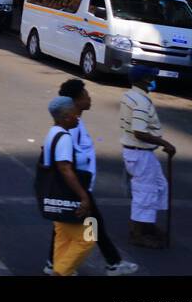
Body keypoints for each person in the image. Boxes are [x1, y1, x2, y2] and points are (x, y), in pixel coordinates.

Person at [44, 79, 138, 276]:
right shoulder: (71, 127)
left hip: (76, 187)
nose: (89, 98)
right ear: (75, 102)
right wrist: (83, 194)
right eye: (85, 95)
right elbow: (65, 165)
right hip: (77, 187)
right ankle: (66, 268)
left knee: (64, 225)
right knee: (90, 229)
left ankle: (54, 263)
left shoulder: (72, 123)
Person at [119, 65, 175, 249]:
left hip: (140, 153)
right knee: (145, 193)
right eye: (150, 77)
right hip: (140, 153)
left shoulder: (131, 96)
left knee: (159, 185)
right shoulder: (141, 102)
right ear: (143, 80)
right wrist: (165, 143)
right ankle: (137, 233)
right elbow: (139, 132)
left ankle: (146, 224)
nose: (152, 79)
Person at [44, 95, 96, 276]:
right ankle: (61, 272)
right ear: (66, 116)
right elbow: (65, 168)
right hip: (68, 196)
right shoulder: (64, 138)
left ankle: (60, 269)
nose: (78, 117)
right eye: (75, 114)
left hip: (56, 196)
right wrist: (83, 197)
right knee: (89, 237)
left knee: (63, 238)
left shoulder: (52, 132)